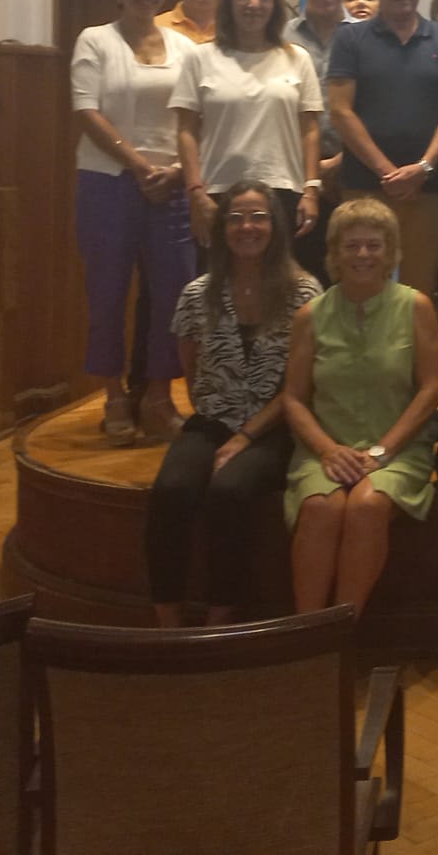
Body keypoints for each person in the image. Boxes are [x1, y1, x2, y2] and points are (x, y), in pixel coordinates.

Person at [145, 182, 321, 625]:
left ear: (275, 225)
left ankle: (219, 620)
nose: (247, 226)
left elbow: (302, 385)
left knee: (230, 491)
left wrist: (245, 436)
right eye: (236, 217)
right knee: (171, 491)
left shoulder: (305, 293)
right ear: (222, 228)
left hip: (278, 425)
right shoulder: (197, 293)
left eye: (258, 216)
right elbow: (192, 365)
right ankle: (167, 623)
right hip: (211, 420)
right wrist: (221, 424)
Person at [284, 198, 438, 615]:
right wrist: (327, 450)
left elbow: (430, 390)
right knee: (320, 507)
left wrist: (382, 451)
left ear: (391, 252)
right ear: (334, 253)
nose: (363, 255)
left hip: (398, 449)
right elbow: (294, 399)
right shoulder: (310, 315)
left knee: (367, 505)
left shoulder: (417, 307)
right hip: (326, 449)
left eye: (374, 245)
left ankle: (342, 636)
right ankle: (307, 636)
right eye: (351, 246)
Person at [71, 0, 198, 444]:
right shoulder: (95, 41)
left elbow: (195, 114)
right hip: (107, 183)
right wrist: (140, 165)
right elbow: (86, 111)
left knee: (175, 295)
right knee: (107, 293)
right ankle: (114, 395)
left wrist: (172, 170)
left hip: (171, 183)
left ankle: (159, 397)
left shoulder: (184, 47)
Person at [327, 0, 438, 297]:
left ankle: (412, 354)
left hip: (428, 188)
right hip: (365, 184)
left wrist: (423, 168)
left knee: (418, 288)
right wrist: (386, 172)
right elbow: (341, 110)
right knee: (357, 283)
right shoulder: (349, 38)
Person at [172, 0, 323, 273]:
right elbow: (186, 130)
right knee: (219, 291)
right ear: (229, 2)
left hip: (283, 191)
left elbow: (310, 129)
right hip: (217, 194)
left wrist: (311, 189)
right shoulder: (200, 58)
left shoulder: (297, 58)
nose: (254, 4)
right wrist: (196, 193)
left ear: (275, 4)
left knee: (279, 290)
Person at [287, 0, 349, 277]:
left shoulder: (366, 37)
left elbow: (376, 105)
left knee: (353, 268)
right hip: (294, 174)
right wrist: (312, 168)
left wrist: (338, 163)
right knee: (300, 271)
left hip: (353, 171)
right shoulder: (280, 38)